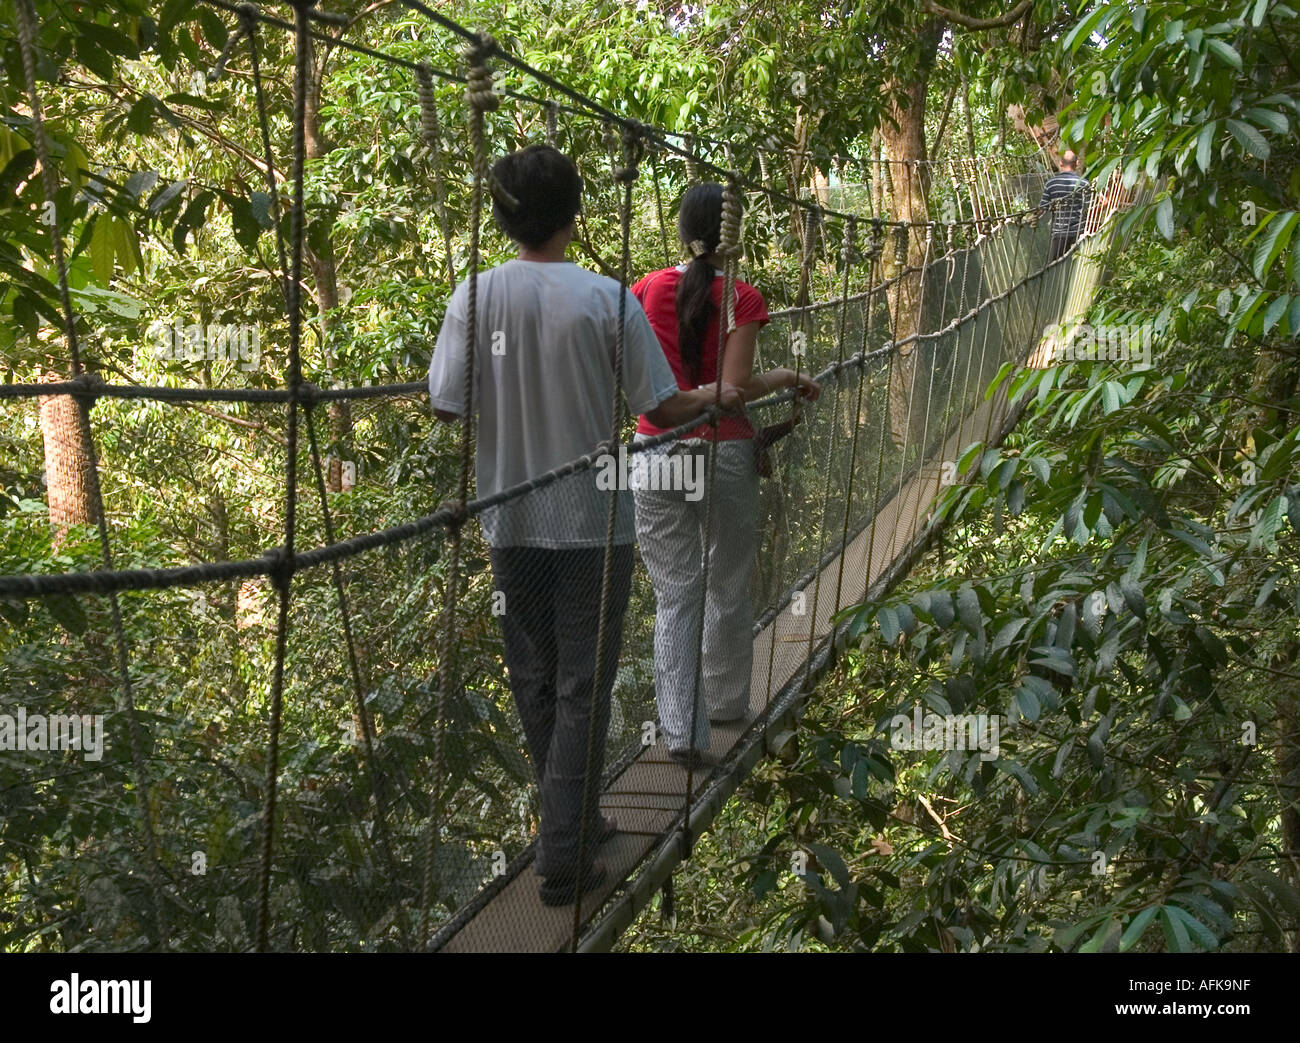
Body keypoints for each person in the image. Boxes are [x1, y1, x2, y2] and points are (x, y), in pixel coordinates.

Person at [427, 145, 743, 907]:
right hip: (596, 524)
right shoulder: (608, 299)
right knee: (581, 687)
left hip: (510, 522)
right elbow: (661, 407)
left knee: (537, 681)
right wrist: (722, 396)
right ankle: (563, 852)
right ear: (576, 214)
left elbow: (445, 402)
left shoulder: (473, 297)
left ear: (502, 216)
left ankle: (574, 822)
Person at [630, 183, 820, 769]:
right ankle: (727, 704)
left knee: (675, 594)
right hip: (721, 456)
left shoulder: (646, 288)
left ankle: (681, 733)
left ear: (683, 228)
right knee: (726, 585)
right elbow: (733, 394)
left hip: (654, 452)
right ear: (732, 235)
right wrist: (787, 375)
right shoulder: (742, 298)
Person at [1039, 150, 1091, 260]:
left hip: (1059, 235)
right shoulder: (1084, 184)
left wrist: (1032, 217)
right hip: (1079, 234)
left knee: (1057, 269)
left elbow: (1042, 209)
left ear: (1061, 163)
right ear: (1077, 163)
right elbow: (1089, 208)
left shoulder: (1050, 184)